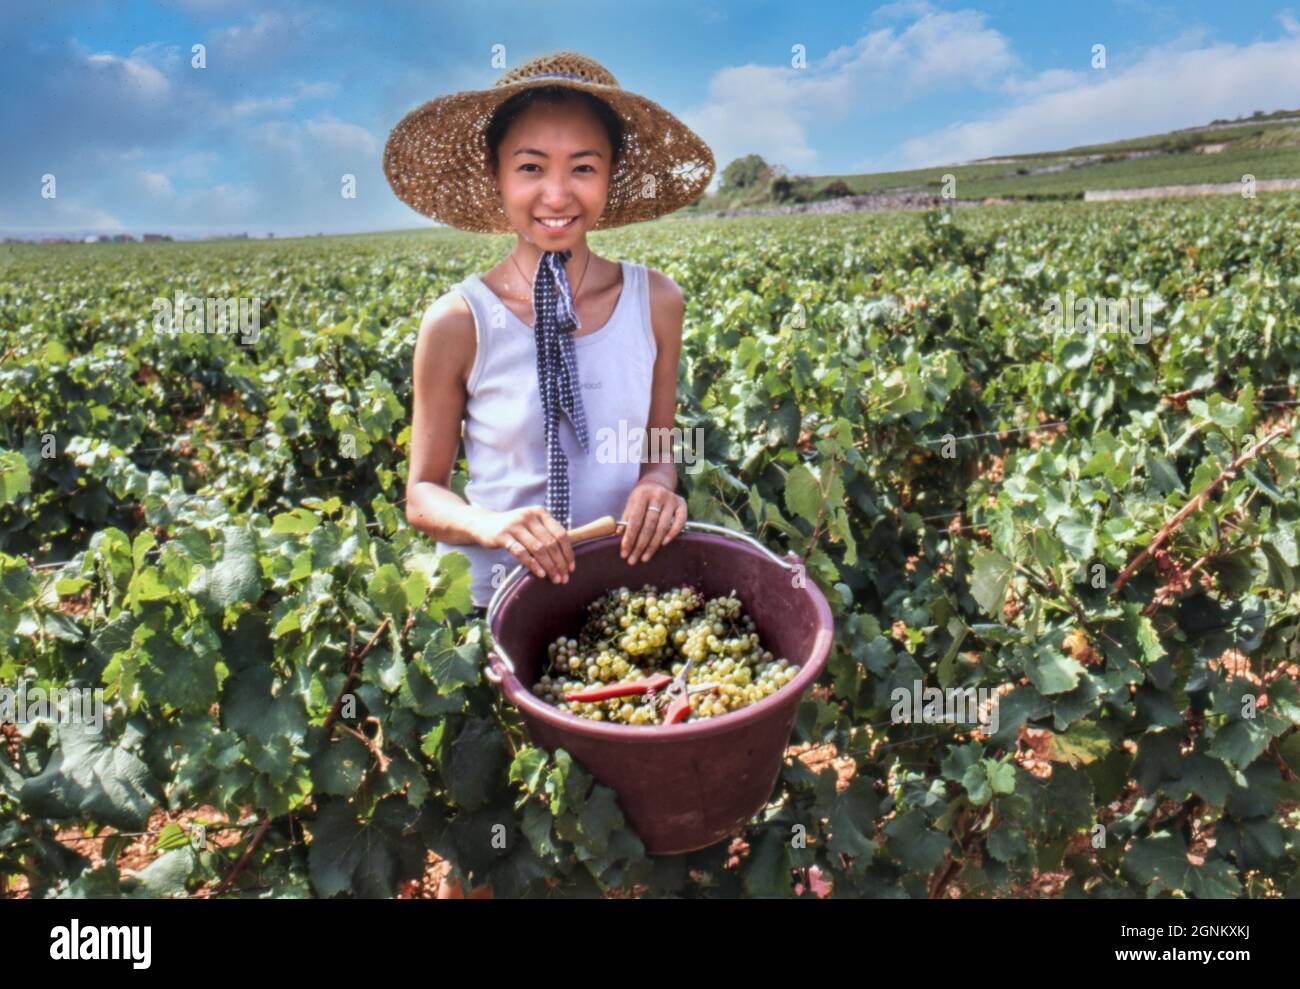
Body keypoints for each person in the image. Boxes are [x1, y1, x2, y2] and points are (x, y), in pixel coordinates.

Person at [384, 52, 716, 618]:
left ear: (611, 175)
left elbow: (659, 450)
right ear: (496, 175)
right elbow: (422, 496)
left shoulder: (657, 301)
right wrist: (490, 524)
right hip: (491, 603)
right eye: (531, 167)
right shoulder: (458, 321)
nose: (558, 195)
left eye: (583, 168)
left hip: (624, 593)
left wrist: (660, 484)